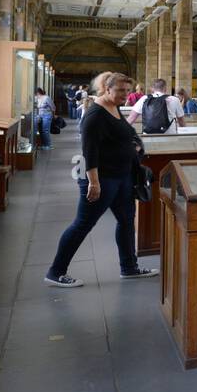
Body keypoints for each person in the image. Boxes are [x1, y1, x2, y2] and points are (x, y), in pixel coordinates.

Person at [44, 72, 157, 286]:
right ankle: (56, 271)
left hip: (122, 176)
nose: (125, 95)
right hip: (103, 179)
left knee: (126, 221)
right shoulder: (95, 114)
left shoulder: (114, 107)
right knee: (83, 224)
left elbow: (126, 132)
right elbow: (90, 151)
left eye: (127, 91)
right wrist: (93, 182)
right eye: (120, 91)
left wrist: (134, 144)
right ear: (107, 89)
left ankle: (129, 268)